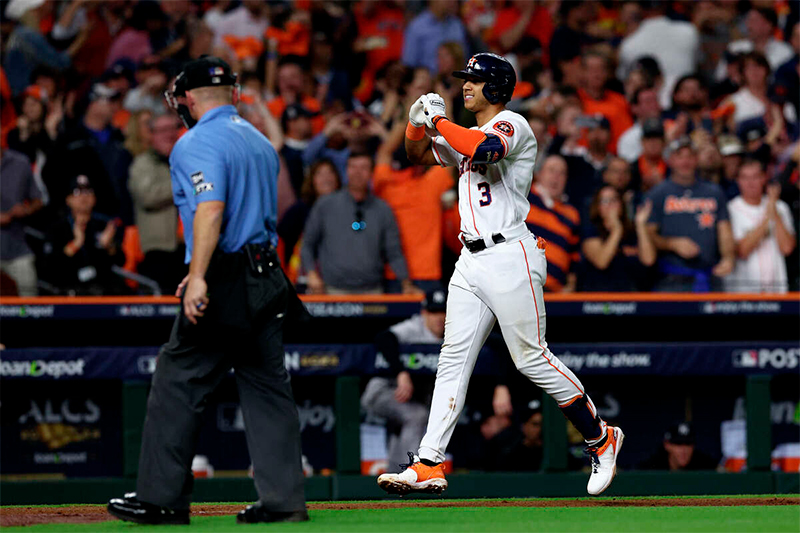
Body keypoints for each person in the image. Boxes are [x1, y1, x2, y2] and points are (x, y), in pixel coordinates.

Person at [377, 53, 623, 497]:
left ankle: (601, 436)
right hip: (471, 259)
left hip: (510, 253)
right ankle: (430, 461)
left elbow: (484, 149)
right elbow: (415, 157)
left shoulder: (514, 123)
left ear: (496, 87)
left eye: (473, 81)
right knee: (452, 358)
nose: (465, 87)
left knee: (530, 358)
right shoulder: (465, 131)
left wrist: (439, 119)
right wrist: (417, 123)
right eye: (464, 80)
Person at [107, 57, 308, 525]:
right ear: (233, 94)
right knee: (267, 387)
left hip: (227, 275)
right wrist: (200, 266)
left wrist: (200, 274)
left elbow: (211, 211)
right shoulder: (260, 142)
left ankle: (161, 498)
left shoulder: (194, 141)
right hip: (266, 273)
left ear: (189, 99)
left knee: (178, 378)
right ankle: (283, 500)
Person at [300, 151, 415, 295]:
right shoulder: (325, 205)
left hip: (373, 291)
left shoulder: (383, 209)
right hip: (332, 291)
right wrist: (311, 274)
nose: (357, 173)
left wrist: (406, 282)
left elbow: (394, 251)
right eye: (353, 167)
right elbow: (308, 245)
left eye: (363, 168)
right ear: (346, 170)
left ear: (372, 173)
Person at [361, 289, 447, 471]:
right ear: (424, 313)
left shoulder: (453, 332)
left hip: (413, 396)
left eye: (443, 311)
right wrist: (401, 372)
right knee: (416, 416)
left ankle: (396, 480)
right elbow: (384, 337)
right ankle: (411, 473)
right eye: (433, 312)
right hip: (384, 390)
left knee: (407, 423)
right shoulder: (415, 327)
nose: (439, 317)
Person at [645, 137, 735, 292]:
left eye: (690, 156)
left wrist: (729, 257)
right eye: (679, 156)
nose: (685, 161)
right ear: (670, 160)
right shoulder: (657, 194)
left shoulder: (714, 192)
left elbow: (724, 229)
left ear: (697, 159)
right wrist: (671, 244)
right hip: (671, 279)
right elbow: (647, 234)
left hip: (710, 275)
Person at [127, 113, 185, 294]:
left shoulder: (185, 162)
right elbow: (148, 196)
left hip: (189, 248)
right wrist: (185, 183)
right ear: (151, 134)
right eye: (163, 130)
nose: (169, 134)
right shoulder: (142, 164)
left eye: (173, 129)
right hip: (158, 251)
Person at [41, 175, 125, 296]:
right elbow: (49, 267)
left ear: (95, 198)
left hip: (102, 289)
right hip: (68, 289)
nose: (83, 196)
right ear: (68, 199)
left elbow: (121, 261)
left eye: (88, 191)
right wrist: (75, 244)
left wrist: (109, 246)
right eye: (77, 192)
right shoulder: (57, 227)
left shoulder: (104, 224)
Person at [725, 158, 796, 293]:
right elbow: (742, 250)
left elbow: (787, 248)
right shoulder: (730, 209)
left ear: (764, 178)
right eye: (745, 178)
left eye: (755, 177)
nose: (750, 183)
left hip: (777, 290)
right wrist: (767, 217)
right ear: (738, 180)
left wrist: (774, 210)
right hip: (742, 292)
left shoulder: (780, 207)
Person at [579, 186, 656, 291]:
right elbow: (602, 262)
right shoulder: (591, 231)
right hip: (599, 299)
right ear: (598, 207)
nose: (611, 204)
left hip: (633, 297)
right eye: (605, 201)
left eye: (614, 199)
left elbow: (649, 260)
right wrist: (616, 230)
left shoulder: (632, 231)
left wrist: (640, 224)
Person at [526, 155, 581, 293]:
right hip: (523, 287)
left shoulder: (572, 213)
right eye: (551, 170)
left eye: (561, 173)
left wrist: (570, 287)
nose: (556, 177)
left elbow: (574, 257)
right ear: (539, 174)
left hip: (555, 293)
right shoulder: (523, 198)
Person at [0, 146, 44, 296]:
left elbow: (38, 200)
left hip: (17, 249)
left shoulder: (21, 163)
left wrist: (26, 210)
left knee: (32, 304)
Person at [639, 423, 718, 471]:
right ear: (667, 445)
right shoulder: (652, 467)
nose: (684, 450)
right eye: (678, 444)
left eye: (688, 444)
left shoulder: (705, 465)